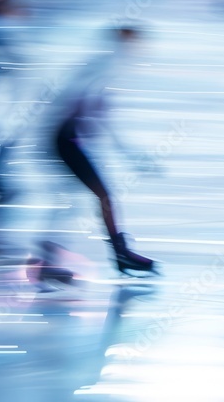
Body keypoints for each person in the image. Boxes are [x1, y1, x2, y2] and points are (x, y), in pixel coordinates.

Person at [33, 23, 158, 283]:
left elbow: (94, 111)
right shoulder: (106, 66)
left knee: (84, 200)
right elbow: (88, 106)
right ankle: (119, 254)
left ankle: (51, 259)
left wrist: (129, 154)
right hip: (65, 139)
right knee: (101, 197)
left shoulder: (103, 65)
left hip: (66, 138)